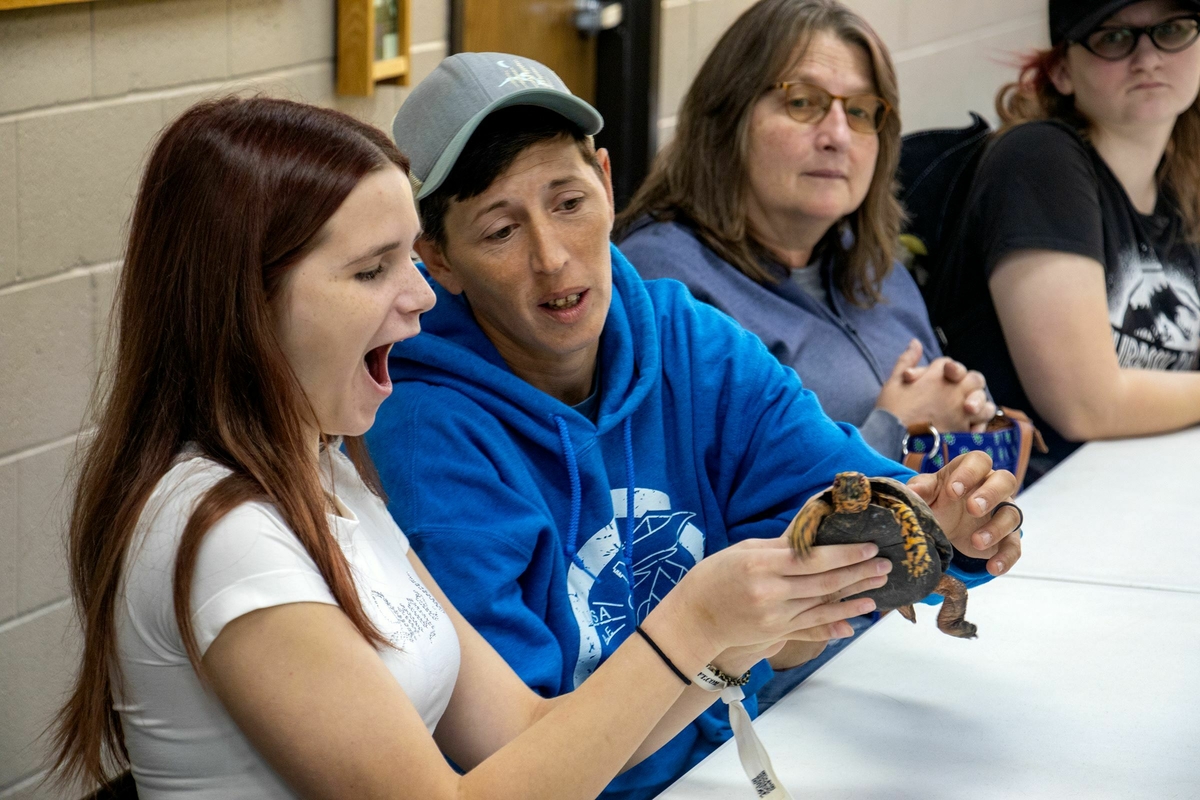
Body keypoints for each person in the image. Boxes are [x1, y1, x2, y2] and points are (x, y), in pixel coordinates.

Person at [48, 96, 902, 799]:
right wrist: (697, 617)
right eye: (372, 270)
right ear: (250, 302)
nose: (422, 297)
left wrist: (740, 638)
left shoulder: (323, 472)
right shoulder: (228, 537)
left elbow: (527, 740)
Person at [367, 52, 1023, 800]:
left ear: (609, 183)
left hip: (750, 758)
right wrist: (744, 658)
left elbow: (844, 506)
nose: (552, 259)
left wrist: (946, 524)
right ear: (436, 259)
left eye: (568, 202)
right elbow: (529, 758)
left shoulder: (688, 341)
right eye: (499, 231)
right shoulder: (426, 436)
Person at [615, 0, 996, 466]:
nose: (836, 134)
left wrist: (968, 408)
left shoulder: (873, 262)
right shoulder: (663, 283)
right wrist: (896, 434)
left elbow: (938, 413)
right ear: (727, 120)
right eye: (802, 102)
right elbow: (698, 515)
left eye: (859, 111)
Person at [929, 0, 1200, 479]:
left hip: (1142, 478)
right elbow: (1085, 406)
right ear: (1060, 72)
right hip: (1029, 510)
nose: (1149, 58)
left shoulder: (1180, 180)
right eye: (1113, 37)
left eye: (1172, 30)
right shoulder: (1039, 159)